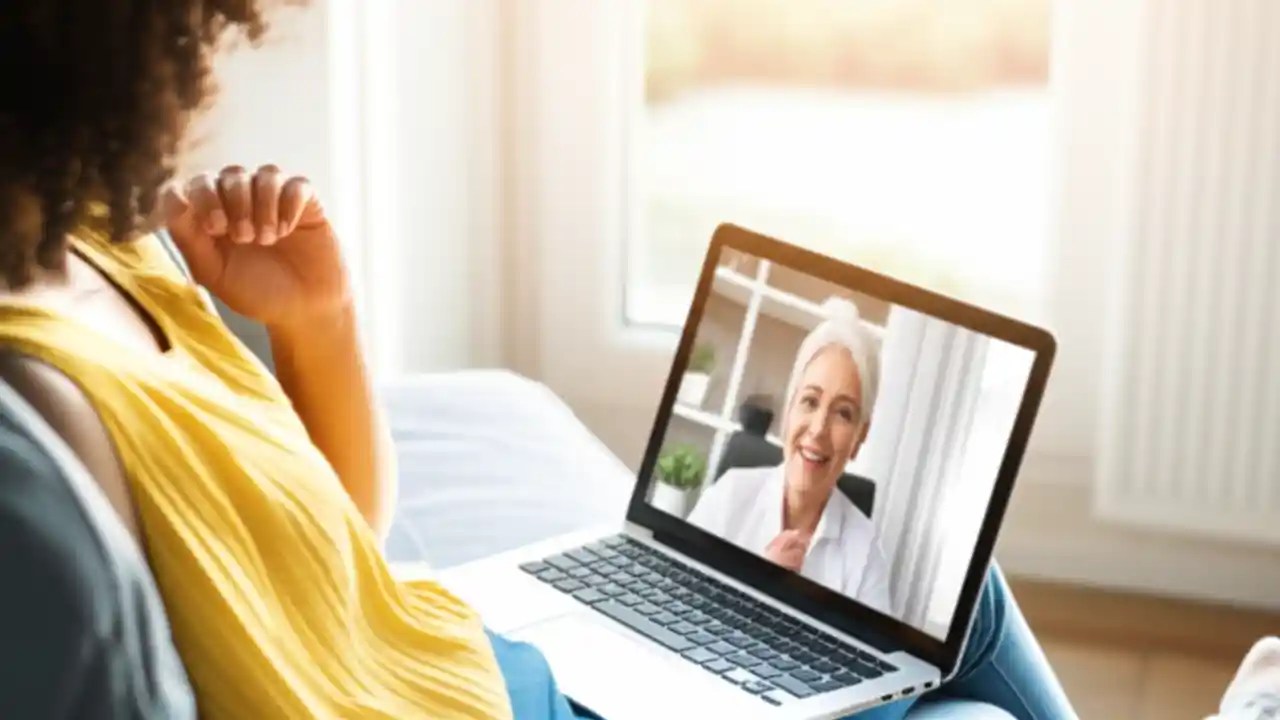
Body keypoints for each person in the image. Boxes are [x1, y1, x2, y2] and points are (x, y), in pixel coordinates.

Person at [0, 2, 1076, 718]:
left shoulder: (103, 233)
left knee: (946, 598)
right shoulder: (39, 426)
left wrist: (318, 324)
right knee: (963, 685)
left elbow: (341, 550)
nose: (211, 51)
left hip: (495, 666)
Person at [688, 297, 893, 613]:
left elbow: (868, 659)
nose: (818, 430)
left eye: (843, 413)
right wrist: (757, 587)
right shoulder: (729, 497)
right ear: (788, 411)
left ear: (860, 437)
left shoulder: (865, 553)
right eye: (810, 402)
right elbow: (678, 604)